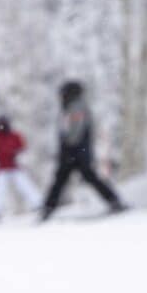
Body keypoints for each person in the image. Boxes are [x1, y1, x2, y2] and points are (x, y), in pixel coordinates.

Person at [40, 80, 127, 220]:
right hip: (76, 152)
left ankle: (48, 209)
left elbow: (75, 131)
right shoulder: (72, 107)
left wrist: (67, 146)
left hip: (76, 153)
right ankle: (113, 201)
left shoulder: (76, 107)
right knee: (70, 179)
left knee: (67, 180)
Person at [0, 115, 43, 219]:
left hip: (15, 167)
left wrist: (17, 155)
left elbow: (23, 149)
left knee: (26, 185)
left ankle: (38, 204)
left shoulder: (14, 135)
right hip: (1, 168)